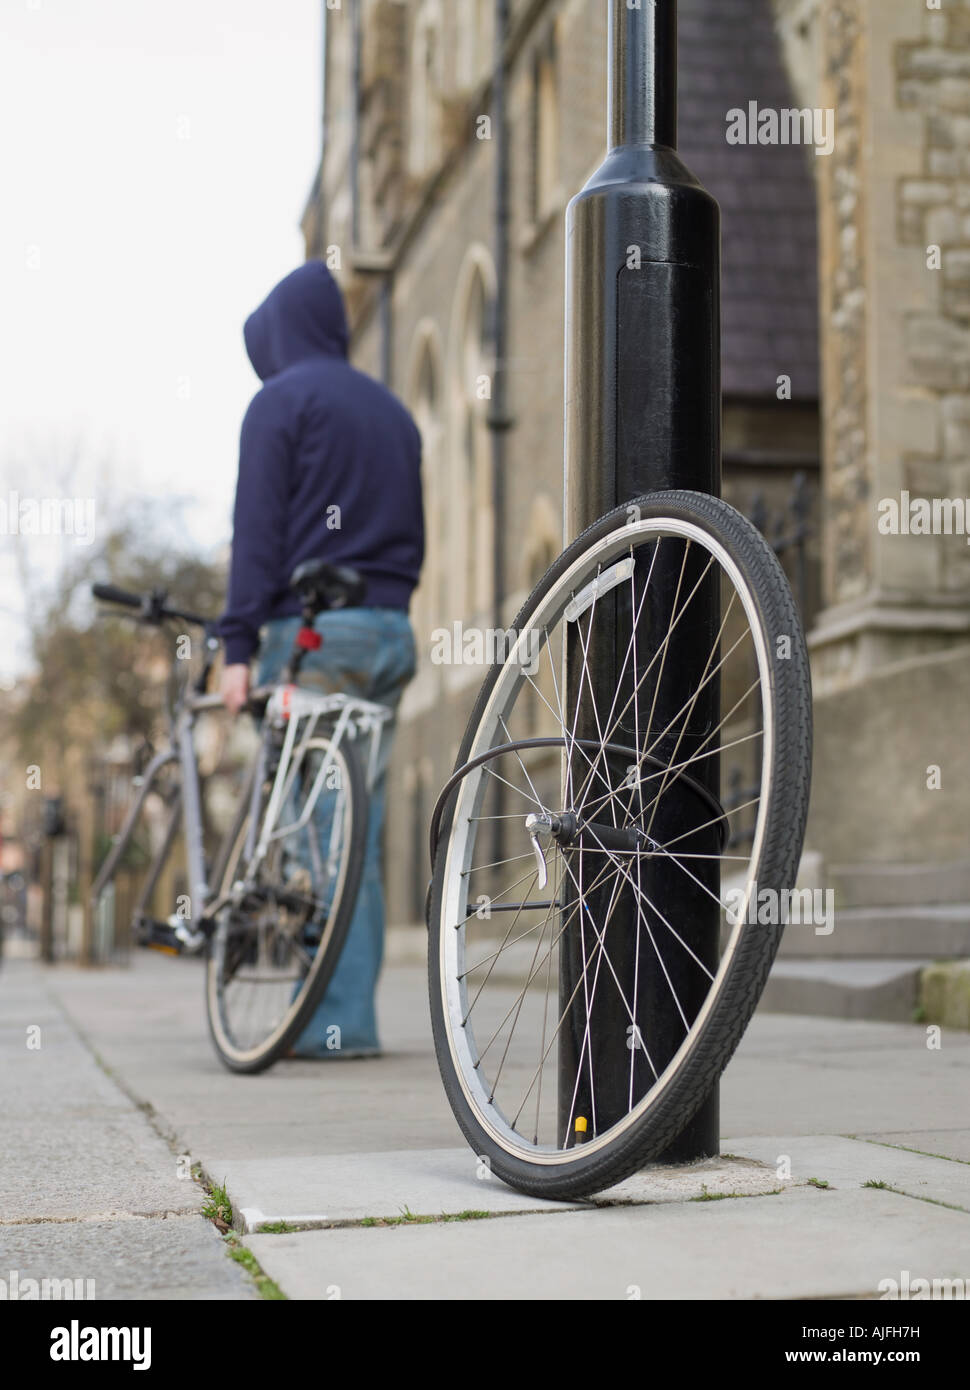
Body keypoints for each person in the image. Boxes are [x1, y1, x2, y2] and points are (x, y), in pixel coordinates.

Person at [218, 261, 424, 1057]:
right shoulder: (395, 414)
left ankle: (336, 1024)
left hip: (314, 639)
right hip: (388, 635)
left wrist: (237, 646)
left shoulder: (279, 403)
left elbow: (257, 536)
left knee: (318, 834)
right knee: (357, 830)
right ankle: (347, 1015)